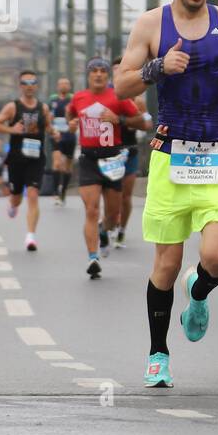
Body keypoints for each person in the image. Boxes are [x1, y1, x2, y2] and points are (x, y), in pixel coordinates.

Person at [115, 0, 218, 389]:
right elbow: (120, 85)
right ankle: (158, 354)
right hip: (170, 153)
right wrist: (158, 67)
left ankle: (200, 292)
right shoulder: (151, 23)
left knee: (217, 255)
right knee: (166, 264)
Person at [68, 58, 142, 277]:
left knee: (112, 213)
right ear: (88, 75)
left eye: (102, 71)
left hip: (113, 159)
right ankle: (93, 257)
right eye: (94, 71)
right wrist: (72, 123)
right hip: (89, 158)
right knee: (91, 210)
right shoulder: (79, 97)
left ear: (108, 75)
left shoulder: (118, 96)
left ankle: (104, 230)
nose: (98, 75)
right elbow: (71, 114)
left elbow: (141, 120)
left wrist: (118, 119)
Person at [0, 69, 56, 251]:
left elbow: (49, 127)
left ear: (37, 86)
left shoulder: (43, 108)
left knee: (33, 194)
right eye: (25, 83)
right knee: (17, 198)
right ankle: (12, 204)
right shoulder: (13, 107)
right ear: (20, 86)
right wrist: (13, 130)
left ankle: (30, 236)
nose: (29, 87)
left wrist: (55, 133)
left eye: (32, 83)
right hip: (16, 159)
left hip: (36, 158)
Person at [110, 55, 151, 249]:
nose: (118, 73)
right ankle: (109, 222)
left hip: (130, 150)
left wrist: (123, 121)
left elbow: (148, 124)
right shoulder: (106, 96)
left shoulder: (138, 100)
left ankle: (121, 230)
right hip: (109, 152)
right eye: (115, 70)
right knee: (112, 195)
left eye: (122, 69)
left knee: (126, 195)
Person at [50, 77, 77, 206]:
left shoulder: (73, 99)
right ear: (57, 86)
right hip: (56, 134)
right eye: (61, 83)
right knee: (56, 163)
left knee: (67, 165)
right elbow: (48, 117)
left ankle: (64, 191)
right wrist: (51, 130)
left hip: (70, 135)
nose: (63, 86)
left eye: (66, 83)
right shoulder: (53, 100)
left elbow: (78, 116)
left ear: (69, 86)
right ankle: (56, 192)